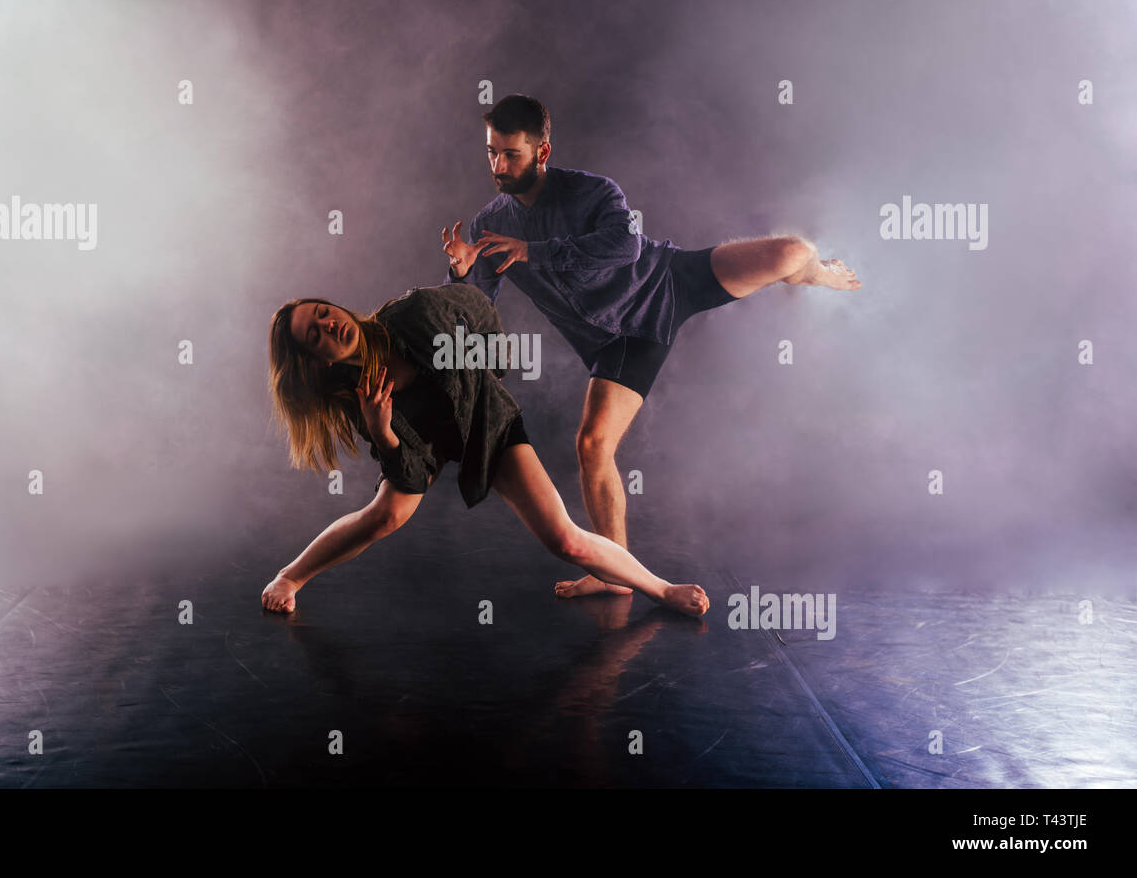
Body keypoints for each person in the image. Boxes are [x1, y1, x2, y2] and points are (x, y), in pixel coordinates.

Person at [442, 93, 861, 598]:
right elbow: (474, 309)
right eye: (491, 152)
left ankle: (816, 276)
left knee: (793, 252)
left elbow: (624, 247)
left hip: (666, 282)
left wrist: (536, 251)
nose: (498, 165)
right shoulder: (493, 224)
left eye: (510, 154)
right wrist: (460, 274)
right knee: (593, 445)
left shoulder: (592, 191)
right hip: (621, 341)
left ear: (542, 152)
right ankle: (612, 575)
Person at [262, 283, 709, 618]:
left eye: (324, 312)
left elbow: (477, 303)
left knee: (566, 540)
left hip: (485, 424)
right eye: (315, 334)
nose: (328, 323)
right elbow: (412, 474)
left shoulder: (413, 314)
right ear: (318, 359)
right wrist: (383, 434)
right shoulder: (360, 396)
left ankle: (659, 588)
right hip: (426, 446)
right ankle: (292, 575)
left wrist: (489, 370)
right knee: (385, 514)